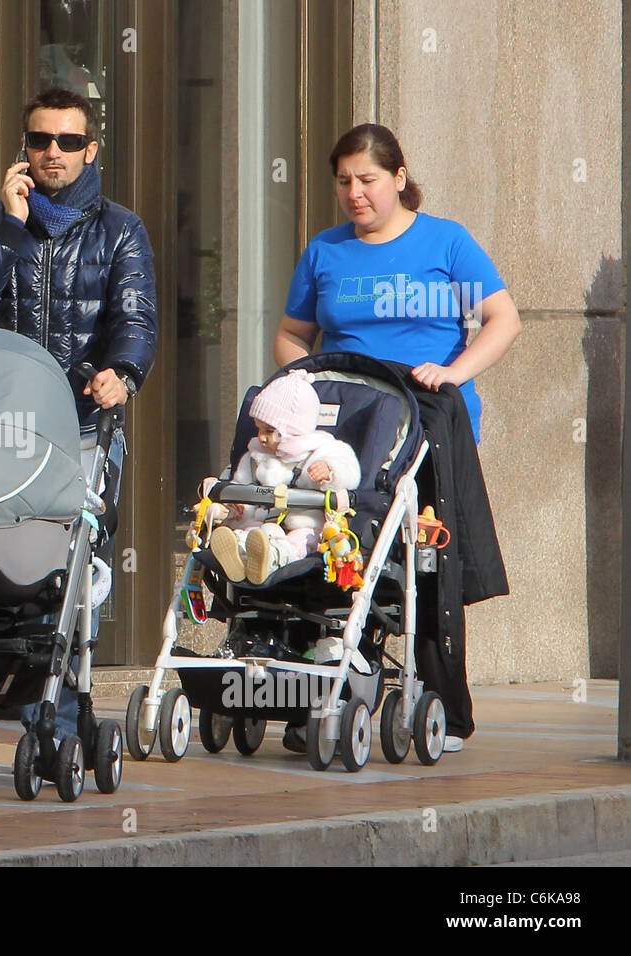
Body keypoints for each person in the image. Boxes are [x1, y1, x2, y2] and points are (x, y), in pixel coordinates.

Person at [273, 123, 518, 754]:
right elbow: (294, 336)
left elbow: (503, 319)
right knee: (327, 547)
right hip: (348, 425)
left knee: (424, 563)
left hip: (428, 422)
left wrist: (454, 373)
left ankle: (445, 708)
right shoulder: (325, 251)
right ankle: (321, 690)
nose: (355, 193)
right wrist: (294, 387)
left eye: (368, 180)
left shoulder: (444, 242)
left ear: (399, 178)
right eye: (344, 181)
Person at [0, 86, 158, 739]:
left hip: (81, 423)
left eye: (67, 142)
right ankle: (5, 689)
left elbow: (136, 319)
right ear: (23, 149)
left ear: (90, 149)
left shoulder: (120, 229)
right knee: (3, 560)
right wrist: (9, 228)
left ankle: (62, 708)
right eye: (40, 141)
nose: (52, 153)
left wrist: (124, 373)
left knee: (74, 562)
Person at [207, 369, 362, 586]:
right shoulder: (255, 457)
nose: (260, 437)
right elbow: (241, 485)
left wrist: (330, 472)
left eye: (269, 431)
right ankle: (239, 555)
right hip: (263, 523)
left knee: (297, 541)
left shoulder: (322, 450)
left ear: (292, 430)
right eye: (259, 429)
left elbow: (351, 473)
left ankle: (272, 558)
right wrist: (237, 506)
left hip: (307, 526)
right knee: (251, 533)